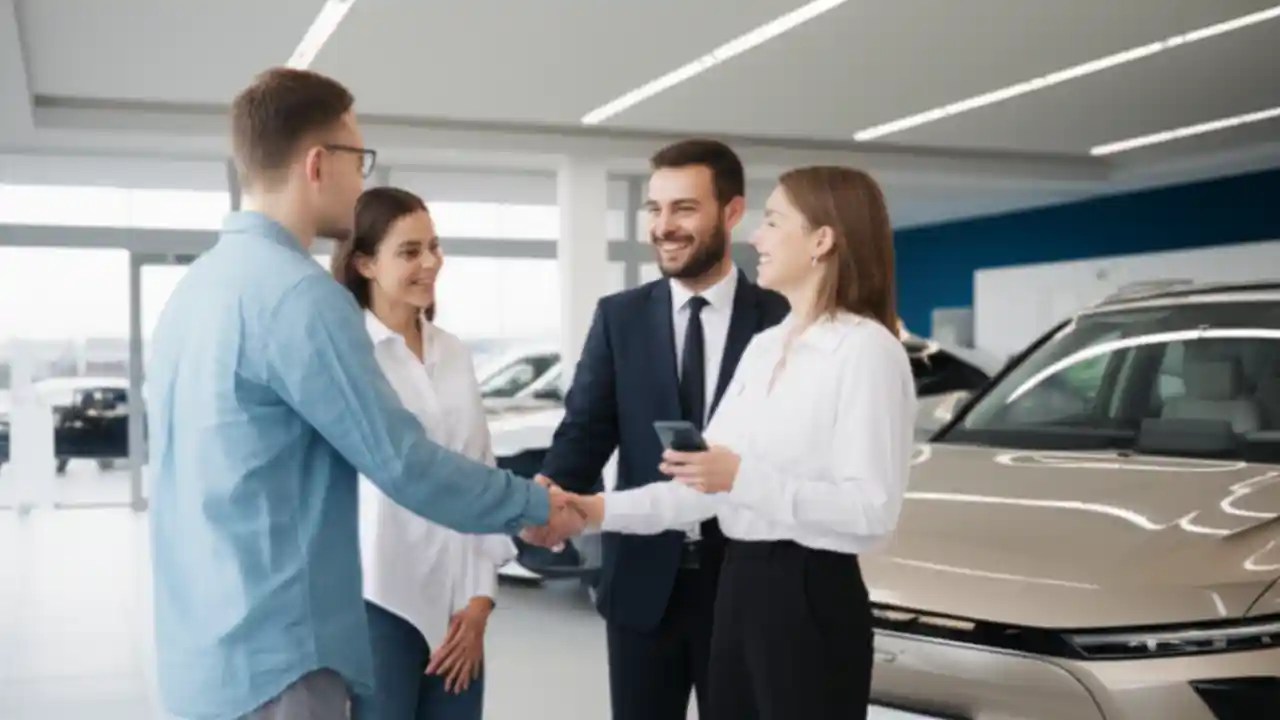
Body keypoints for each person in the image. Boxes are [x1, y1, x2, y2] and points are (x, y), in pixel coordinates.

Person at [145, 68, 580, 720]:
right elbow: (402, 461)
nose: (362, 180)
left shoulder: (197, 289)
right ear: (318, 164)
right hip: (281, 658)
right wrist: (530, 503)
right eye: (359, 159)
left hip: (203, 660)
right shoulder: (300, 296)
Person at [567, 166, 917, 720]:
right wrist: (592, 510)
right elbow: (700, 484)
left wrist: (741, 479)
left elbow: (873, 512)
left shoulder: (867, 351)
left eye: (774, 221)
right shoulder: (765, 347)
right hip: (740, 587)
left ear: (822, 240)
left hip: (810, 595)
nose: (756, 236)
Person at [539, 139, 789, 720]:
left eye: (684, 209)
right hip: (642, 584)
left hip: (747, 586)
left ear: (731, 213)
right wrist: (542, 503)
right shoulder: (619, 317)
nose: (663, 226)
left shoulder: (779, 319)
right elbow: (584, 433)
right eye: (654, 209)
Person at [330, 186, 511, 720]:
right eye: (410, 252)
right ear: (364, 262)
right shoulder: (348, 354)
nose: (430, 262)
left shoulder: (453, 352)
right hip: (376, 598)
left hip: (459, 601)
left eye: (433, 246)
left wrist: (481, 599)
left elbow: (481, 474)